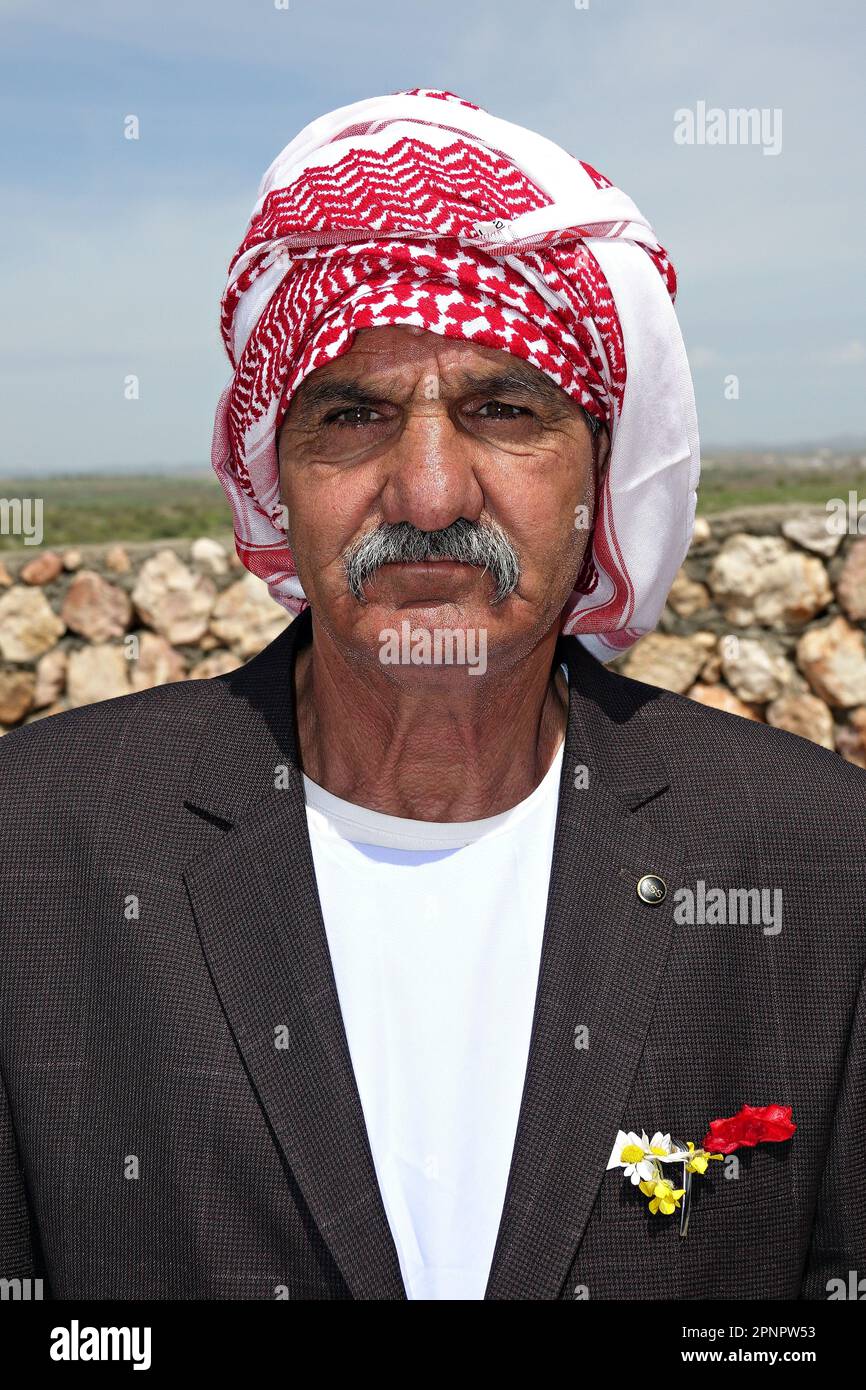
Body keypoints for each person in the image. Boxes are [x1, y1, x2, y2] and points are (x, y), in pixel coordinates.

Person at [1, 89, 863, 1302]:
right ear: (276, 477)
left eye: (502, 410)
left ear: (596, 476)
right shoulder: (37, 850)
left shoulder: (816, 862)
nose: (424, 492)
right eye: (349, 415)